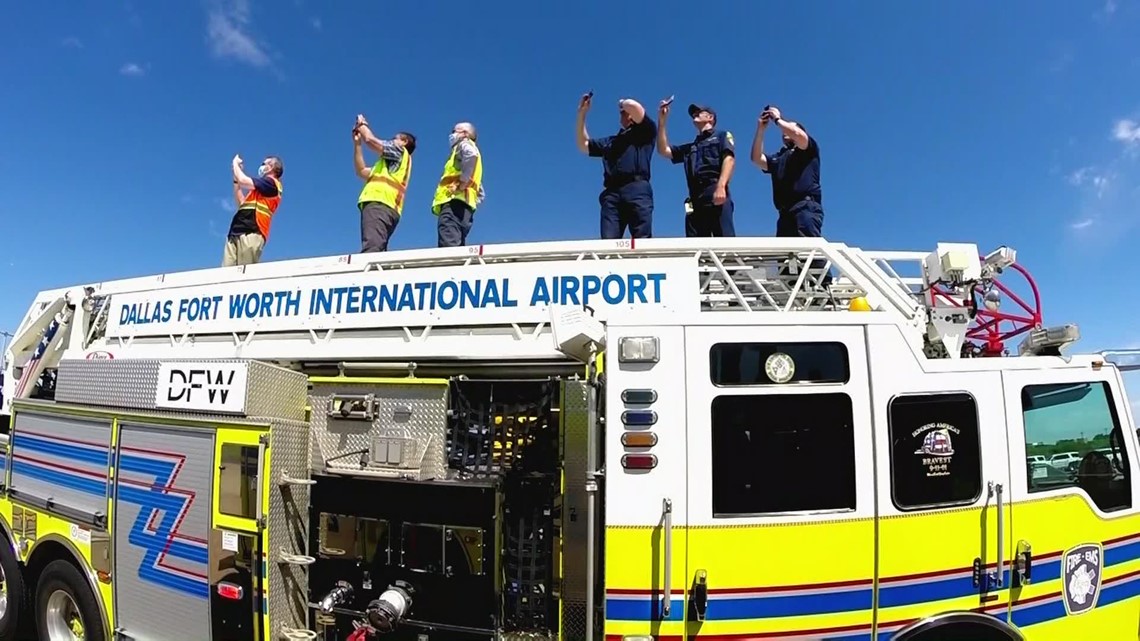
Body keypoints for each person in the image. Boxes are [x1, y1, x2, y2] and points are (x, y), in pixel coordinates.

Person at [576, 92, 656, 239]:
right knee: (608, 243)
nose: (622, 115)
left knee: (642, 240)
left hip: (637, 189)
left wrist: (622, 103)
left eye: (623, 112)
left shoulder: (645, 132)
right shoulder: (610, 141)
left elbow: (634, 105)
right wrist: (582, 114)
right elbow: (583, 145)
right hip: (612, 193)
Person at [655, 100, 736, 237]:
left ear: (710, 117)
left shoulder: (722, 136)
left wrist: (721, 186)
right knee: (696, 244)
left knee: (724, 241)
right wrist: (662, 121)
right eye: (694, 113)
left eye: (699, 112)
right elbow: (664, 150)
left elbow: (729, 159)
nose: (695, 115)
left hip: (715, 190)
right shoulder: (691, 147)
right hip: (695, 197)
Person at [749, 105, 823, 237]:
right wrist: (761, 129)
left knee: (809, 253)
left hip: (805, 207)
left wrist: (778, 119)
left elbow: (798, 134)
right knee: (785, 256)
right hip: (784, 214)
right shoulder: (779, 157)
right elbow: (756, 158)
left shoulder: (807, 149)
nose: (784, 131)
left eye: (789, 127)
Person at [353, 114, 417, 253]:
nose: (391, 142)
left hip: (380, 204)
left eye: (394, 139)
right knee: (378, 249)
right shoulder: (387, 166)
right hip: (387, 207)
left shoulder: (400, 151)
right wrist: (357, 144)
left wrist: (362, 125)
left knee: (372, 249)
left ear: (404, 142)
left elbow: (370, 140)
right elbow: (362, 171)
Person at [225, 154, 283, 266]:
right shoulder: (258, 191)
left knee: (245, 276)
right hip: (235, 232)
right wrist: (235, 180)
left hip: (252, 232)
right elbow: (241, 203)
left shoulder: (272, 184)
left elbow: (243, 180)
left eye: (264, 164)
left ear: (271, 167)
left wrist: (235, 164)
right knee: (226, 278)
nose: (261, 166)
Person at [431, 122, 484, 247]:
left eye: (455, 131)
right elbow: (480, 192)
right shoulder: (474, 164)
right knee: (457, 245)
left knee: (448, 244)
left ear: (465, 134)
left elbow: (471, 155)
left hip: (453, 203)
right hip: (466, 209)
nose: (452, 134)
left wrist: (461, 184)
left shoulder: (464, 145)